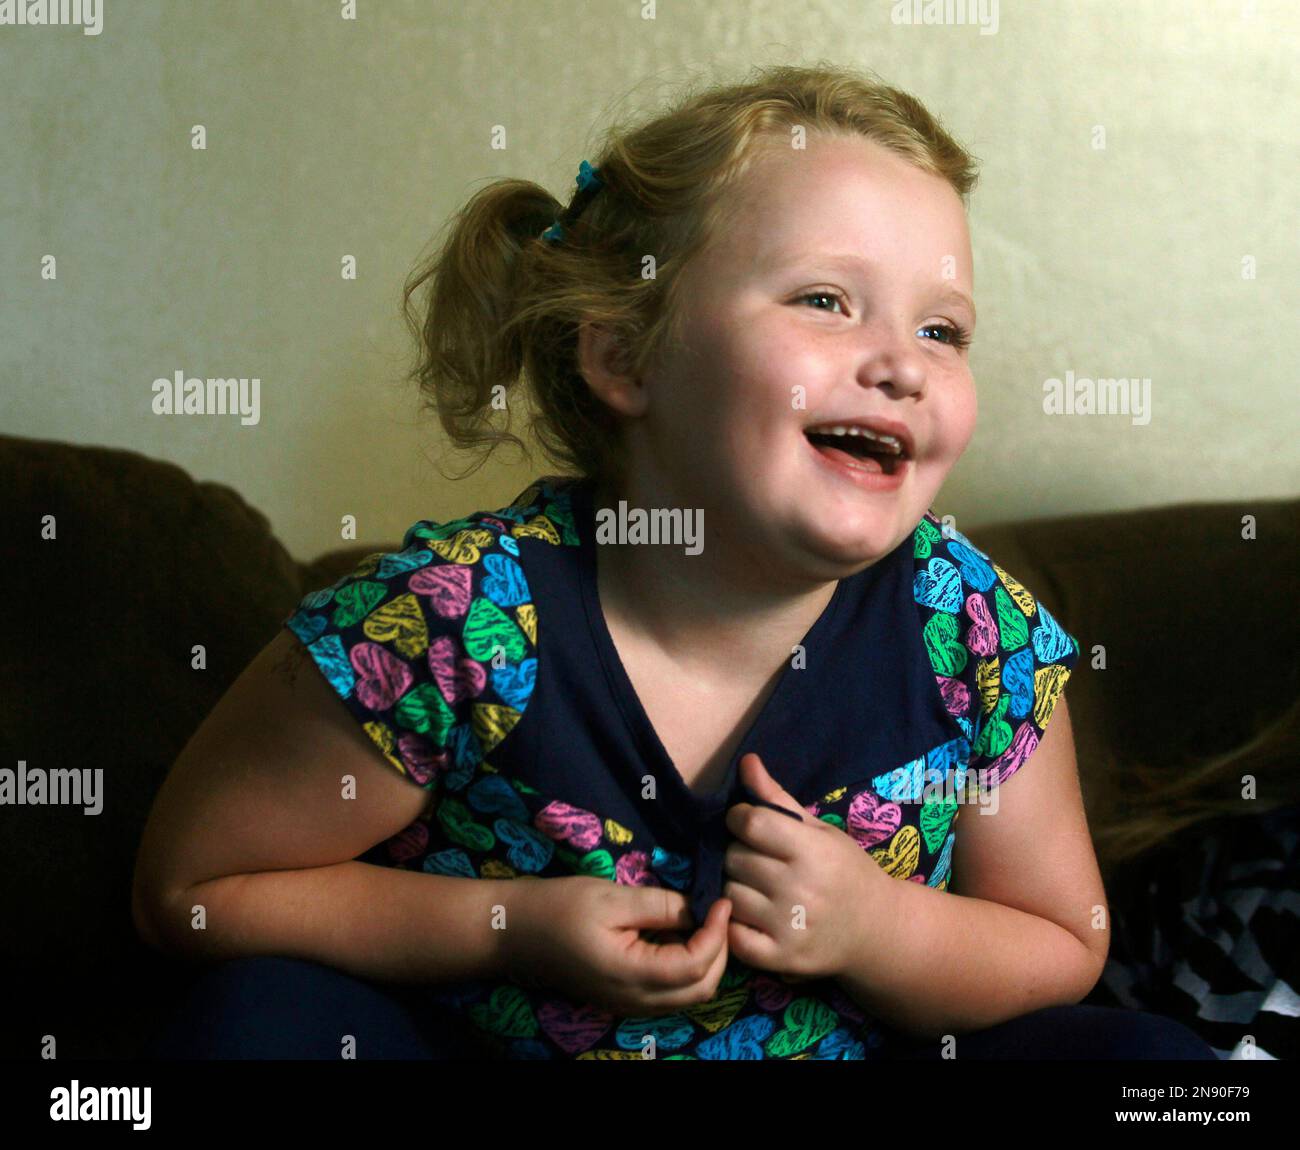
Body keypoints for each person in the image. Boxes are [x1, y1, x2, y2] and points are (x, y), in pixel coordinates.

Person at [134, 62, 1217, 1061]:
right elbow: (193, 889)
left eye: (943, 330)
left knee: (1149, 1069)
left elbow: (1059, 941)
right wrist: (508, 926)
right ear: (623, 354)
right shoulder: (453, 622)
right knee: (262, 1016)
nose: (900, 365)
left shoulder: (976, 632)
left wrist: (875, 927)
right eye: (824, 301)